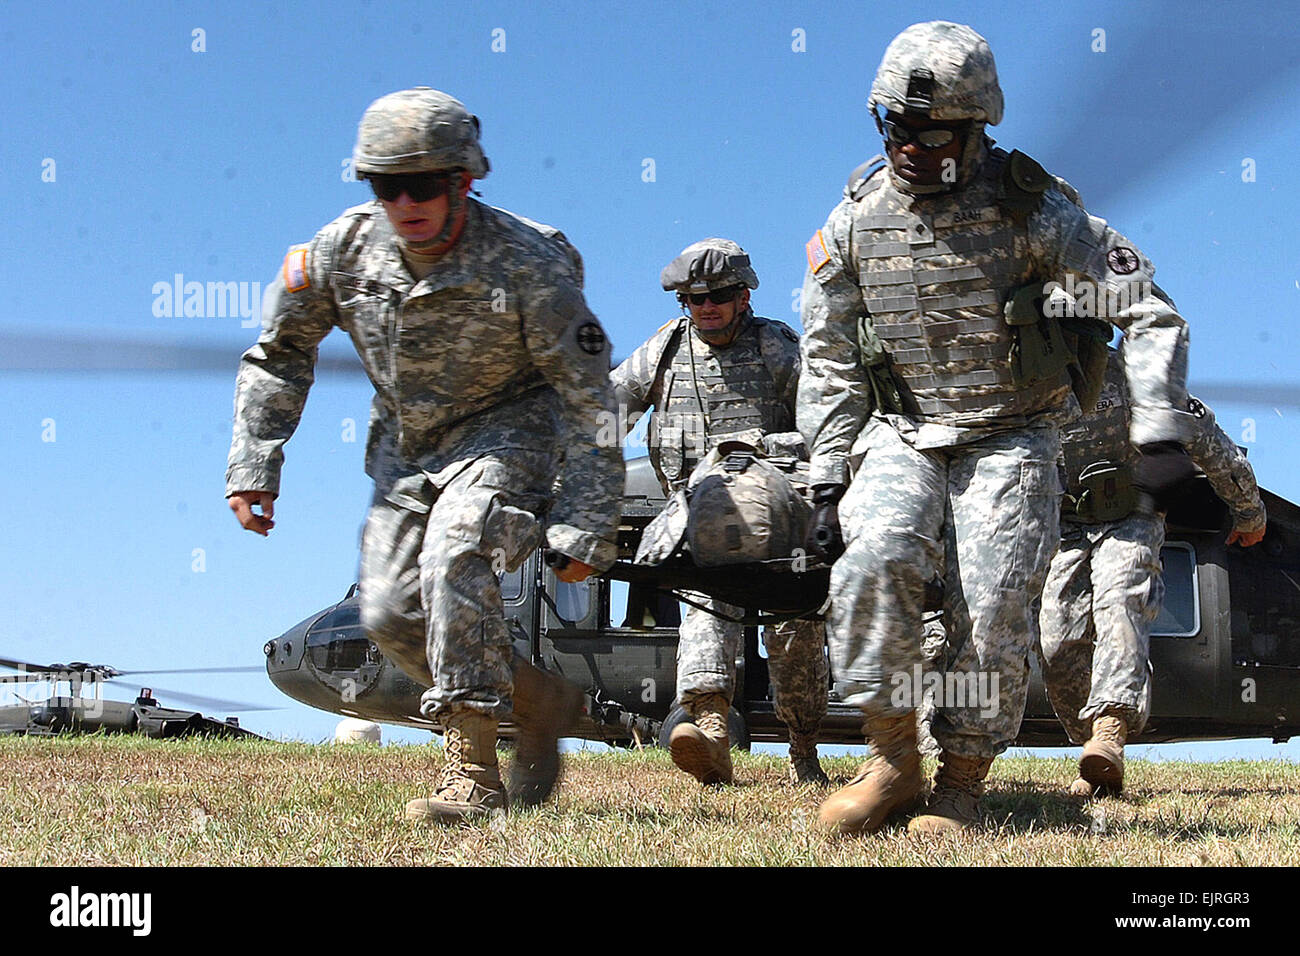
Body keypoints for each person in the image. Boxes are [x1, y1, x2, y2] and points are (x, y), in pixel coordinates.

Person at [797, 21, 1197, 835]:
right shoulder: (854, 219)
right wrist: (826, 466)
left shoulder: (1036, 211)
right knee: (869, 568)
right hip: (902, 431)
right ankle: (893, 758)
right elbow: (829, 353)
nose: (909, 146)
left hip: (1011, 435)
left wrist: (1157, 430)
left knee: (995, 604)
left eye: (931, 132)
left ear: (977, 125)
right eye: (894, 128)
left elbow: (1151, 312)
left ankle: (962, 782)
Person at [226, 87, 624, 822]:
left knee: (455, 554)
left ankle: (471, 775)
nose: (405, 201)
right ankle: (539, 701)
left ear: (463, 180)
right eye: (386, 185)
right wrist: (256, 464)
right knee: (385, 616)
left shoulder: (528, 266)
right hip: (407, 448)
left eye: (423, 184)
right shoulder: (341, 252)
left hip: (513, 433)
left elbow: (590, 395)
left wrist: (587, 521)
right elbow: (280, 354)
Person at [612, 239, 830, 786]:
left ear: (744, 296)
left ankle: (803, 750)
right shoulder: (664, 351)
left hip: (780, 523)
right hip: (700, 521)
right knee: (706, 615)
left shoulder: (776, 347)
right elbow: (608, 407)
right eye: (693, 298)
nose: (707, 308)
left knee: (795, 634)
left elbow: (826, 418)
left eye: (720, 296)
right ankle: (709, 729)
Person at [1041, 349, 1266, 796]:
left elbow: (1204, 438)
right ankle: (1091, 748)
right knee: (1056, 641)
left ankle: (1110, 729)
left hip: (1133, 513)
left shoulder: (1134, 376)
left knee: (1121, 598)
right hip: (1063, 522)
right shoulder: (1027, 384)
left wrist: (1249, 510)